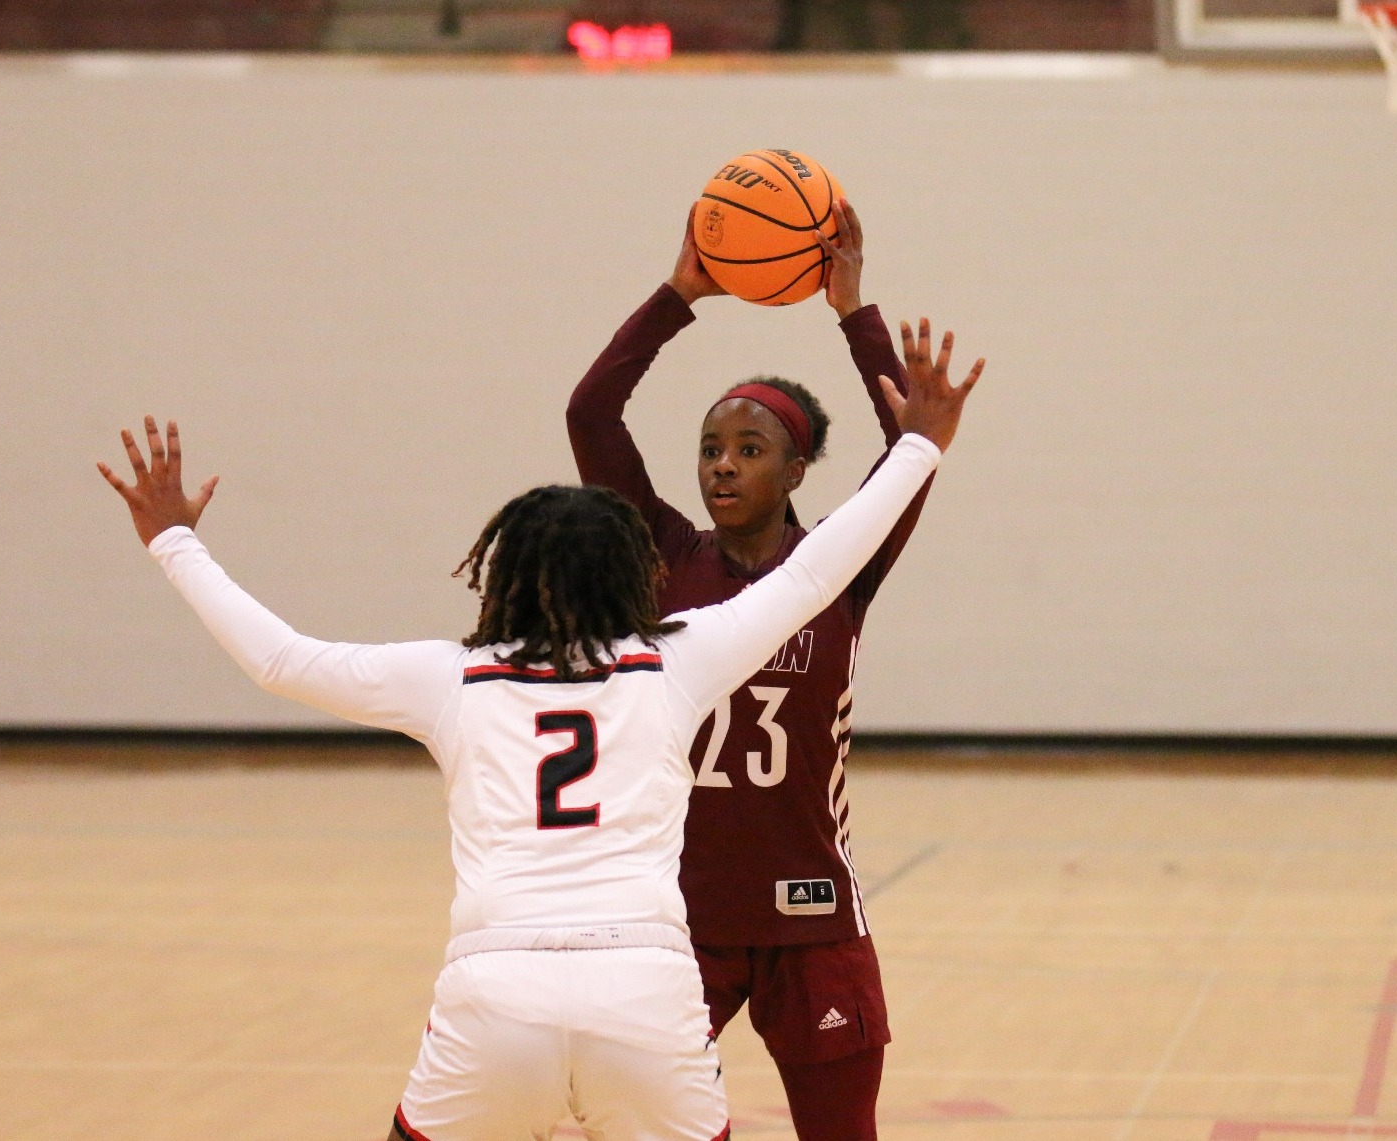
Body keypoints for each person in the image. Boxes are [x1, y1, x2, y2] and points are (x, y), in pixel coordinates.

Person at [94, 324, 979, 1141]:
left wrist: (175, 543)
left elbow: (282, 660)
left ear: (500, 569)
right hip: (648, 982)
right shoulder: (677, 659)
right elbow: (816, 572)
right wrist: (919, 447)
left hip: (497, 990)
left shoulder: (450, 676)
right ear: (639, 571)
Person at [566, 202, 976, 1140]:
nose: (722, 466)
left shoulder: (837, 562)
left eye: (750, 451)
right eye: (711, 448)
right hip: (679, 918)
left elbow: (911, 450)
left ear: (797, 470)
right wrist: (679, 295)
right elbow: (591, 412)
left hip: (814, 915)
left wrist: (853, 309)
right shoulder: (662, 551)